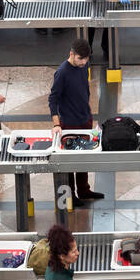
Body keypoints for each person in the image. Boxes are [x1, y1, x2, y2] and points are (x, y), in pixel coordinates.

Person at [48, 38, 102, 202]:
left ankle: (84, 190)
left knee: (83, 157)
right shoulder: (62, 72)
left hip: (85, 118)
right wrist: (57, 124)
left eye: (86, 59)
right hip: (69, 122)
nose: (84, 62)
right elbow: (53, 99)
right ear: (71, 54)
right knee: (70, 160)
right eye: (81, 58)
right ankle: (70, 195)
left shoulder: (84, 65)